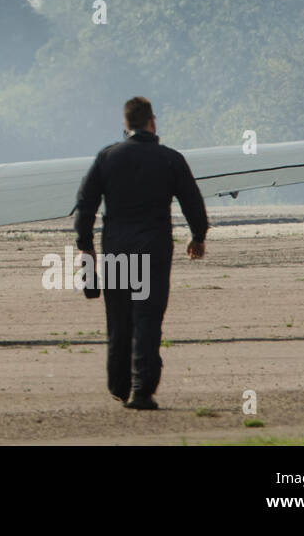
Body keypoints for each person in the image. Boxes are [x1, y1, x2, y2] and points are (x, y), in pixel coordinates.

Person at [73, 96, 208, 410]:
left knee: (119, 318)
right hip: (153, 248)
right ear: (152, 122)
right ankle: (142, 390)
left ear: (126, 124)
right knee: (147, 317)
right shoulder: (170, 159)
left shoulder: (107, 158)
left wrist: (85, 246)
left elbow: (85, 203)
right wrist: (198, 235)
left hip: (117, 248)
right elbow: (192, 200)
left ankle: (119, 385)